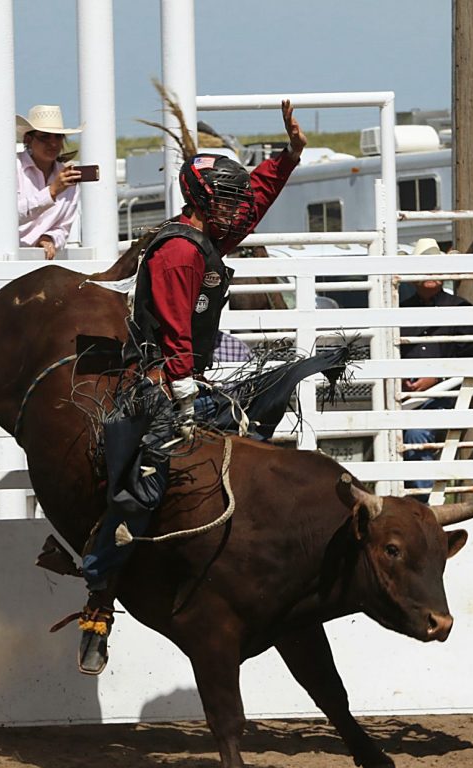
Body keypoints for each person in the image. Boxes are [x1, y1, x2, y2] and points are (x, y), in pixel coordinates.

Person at [75, 100, 307, 675]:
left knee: (262, 419)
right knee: (141, 494)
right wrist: (181, 387)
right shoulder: (180, 253)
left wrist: (288, 157)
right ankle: (98, 597)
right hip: (157, 385)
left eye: (235, 200)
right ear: (205, 202)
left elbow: (251, 205)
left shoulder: (204, 238)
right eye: (228, 200)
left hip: (183, 378)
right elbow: (176, 328)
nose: (237, 210)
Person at [400, 238, 473, 499]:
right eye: (426, 266)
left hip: (447, 394)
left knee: (416, 432)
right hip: (405, 396)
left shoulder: (460, 308)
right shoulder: (401, 311)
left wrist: (437, 378)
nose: (432, 273)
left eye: (436, 266)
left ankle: (423, 508)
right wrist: (400, 381)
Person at [16, 104, 83, 259]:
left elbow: (63, 227)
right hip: (8, 256)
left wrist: (49, 238)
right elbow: (6, 217)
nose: (53, 144)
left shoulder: (68, 177)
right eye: (45, 136)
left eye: (58, 137)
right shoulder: (11, 168)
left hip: (40, 260)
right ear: (28, 139)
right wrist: (51, 192)